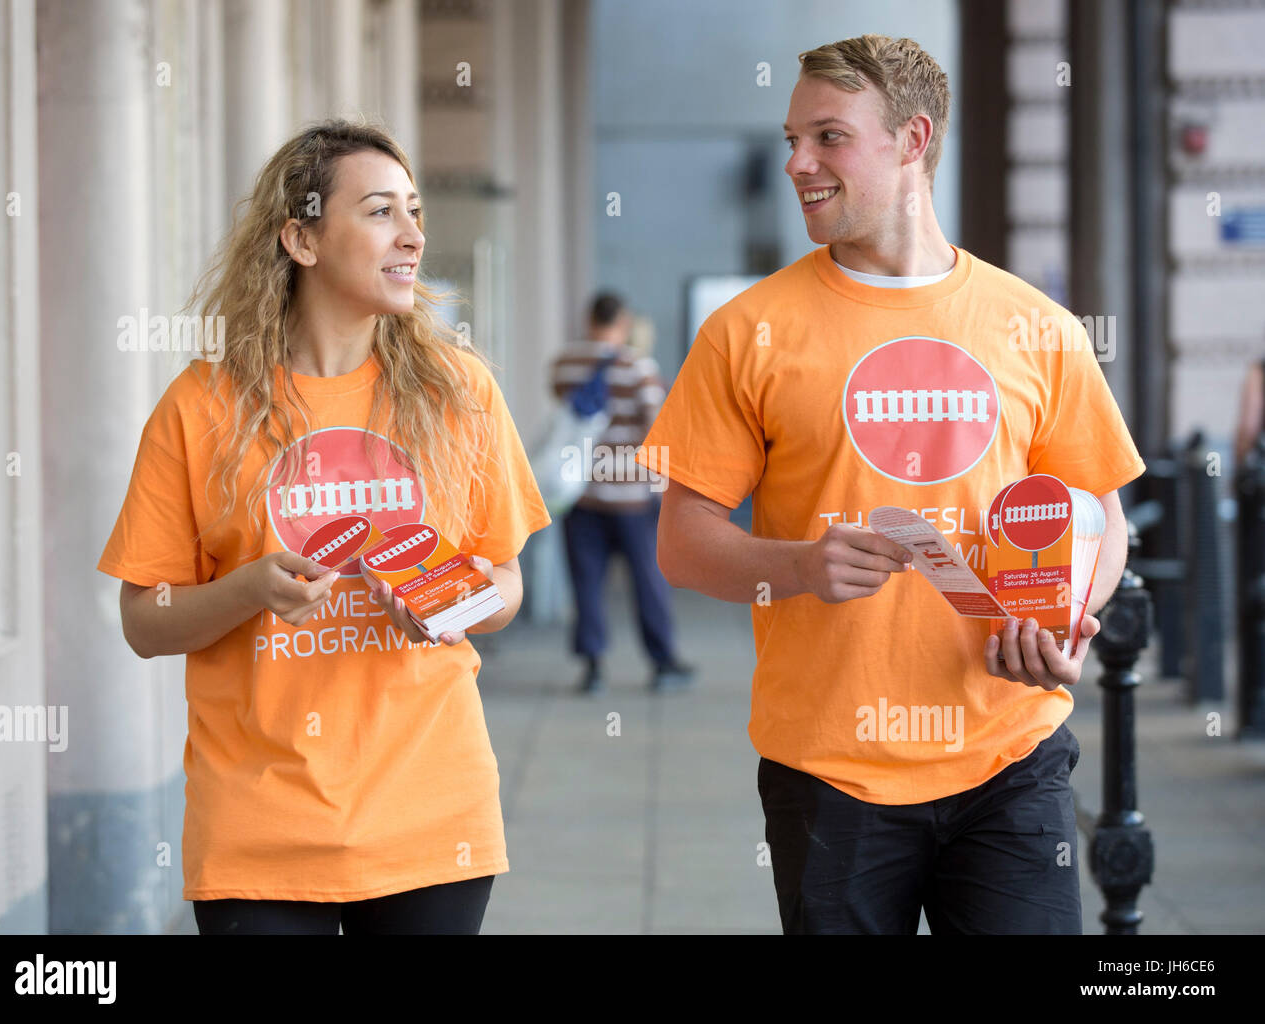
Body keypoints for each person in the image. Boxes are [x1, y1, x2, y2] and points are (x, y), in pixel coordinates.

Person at [636, 35, 1145, 934]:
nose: (797, 163)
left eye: (828, 137)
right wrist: (797, 566)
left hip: (1010, 758)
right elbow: (681, 542)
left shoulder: (1039, 327)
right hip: (831, 775)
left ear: (913, 140)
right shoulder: (746, 330)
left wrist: (1063, 615)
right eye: (792, 138)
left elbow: (1102, 516)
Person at [97, 119, 550, 935]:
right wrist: (244, 591)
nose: (412, 235)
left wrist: (463, 603)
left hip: (430, 814)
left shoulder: (460, 391)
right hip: (259, 826)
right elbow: (142, 622)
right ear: (301, 238)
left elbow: (507, 582)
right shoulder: (199, 407)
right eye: (380, 212)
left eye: (414, 212)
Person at [549, 293, 695, 693]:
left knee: (586, 581)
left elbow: (563, 410)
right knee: (648, 578)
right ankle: (663, 663)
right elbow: (657, 429)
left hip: (581, 495)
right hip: (632, 497)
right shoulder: (638, 367)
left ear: (589, 318)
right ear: (624, 322)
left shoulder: (565, 363)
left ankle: (593, 668)